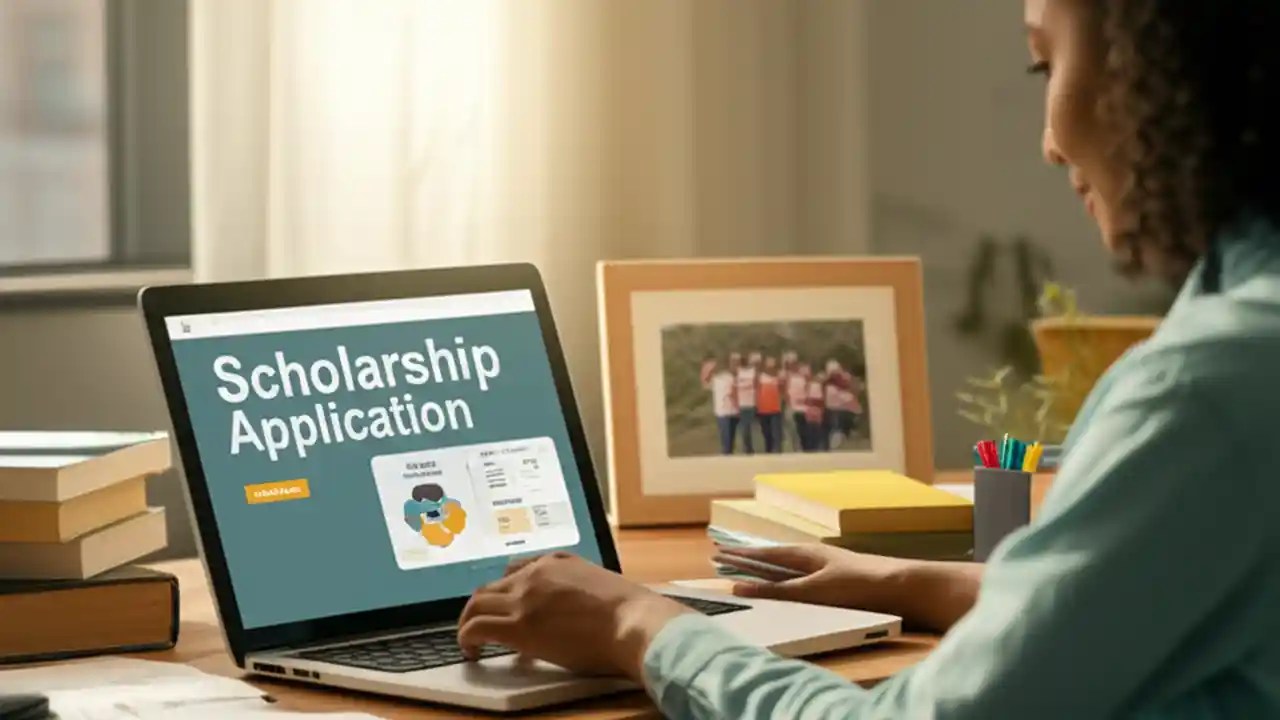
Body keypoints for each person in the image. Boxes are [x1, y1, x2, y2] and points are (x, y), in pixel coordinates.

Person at [456, 1, 1280, 716]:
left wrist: (640, 626)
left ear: (1169, 70)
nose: (1051, 145)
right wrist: (904, 582)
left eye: (1044, 64)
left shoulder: (1208, 391)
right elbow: (1151, 596)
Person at [703, 356, 739, 455]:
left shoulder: (726, 378)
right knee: (728, 441)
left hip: (729, 412)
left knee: (728, 441)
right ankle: (727, 459)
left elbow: (705, 383)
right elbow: (705, 383)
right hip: (725, 413)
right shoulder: (718, 379)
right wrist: (707, 369)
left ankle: (728, 458)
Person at [755, 356, 783, 453]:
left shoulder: (778, 377)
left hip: (775, 409)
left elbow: (782, 390)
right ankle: (768, 452)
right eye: (769, 366)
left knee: (776, 433)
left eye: (773, 366)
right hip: (763, 409)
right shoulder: (760, 377)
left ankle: (778, 452)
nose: (771, 368)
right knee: (766, 433)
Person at [735, 352, 761, 454]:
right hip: (742, 403)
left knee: (751, 427)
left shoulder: (753, 372)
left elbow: (757, 386)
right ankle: (747, 448)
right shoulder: (738, 372)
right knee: (745, 427)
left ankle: (753, 447)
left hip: (751, 403)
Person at [784, 359, 811, 451]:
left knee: (803, 430)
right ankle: (795, 448)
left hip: (803, 408)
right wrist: (789, 404)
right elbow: (786, 392)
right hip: (792, 407)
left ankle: (805, 448)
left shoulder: (803, 377)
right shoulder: (788, 377)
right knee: (793, 430)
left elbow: (808, 389)